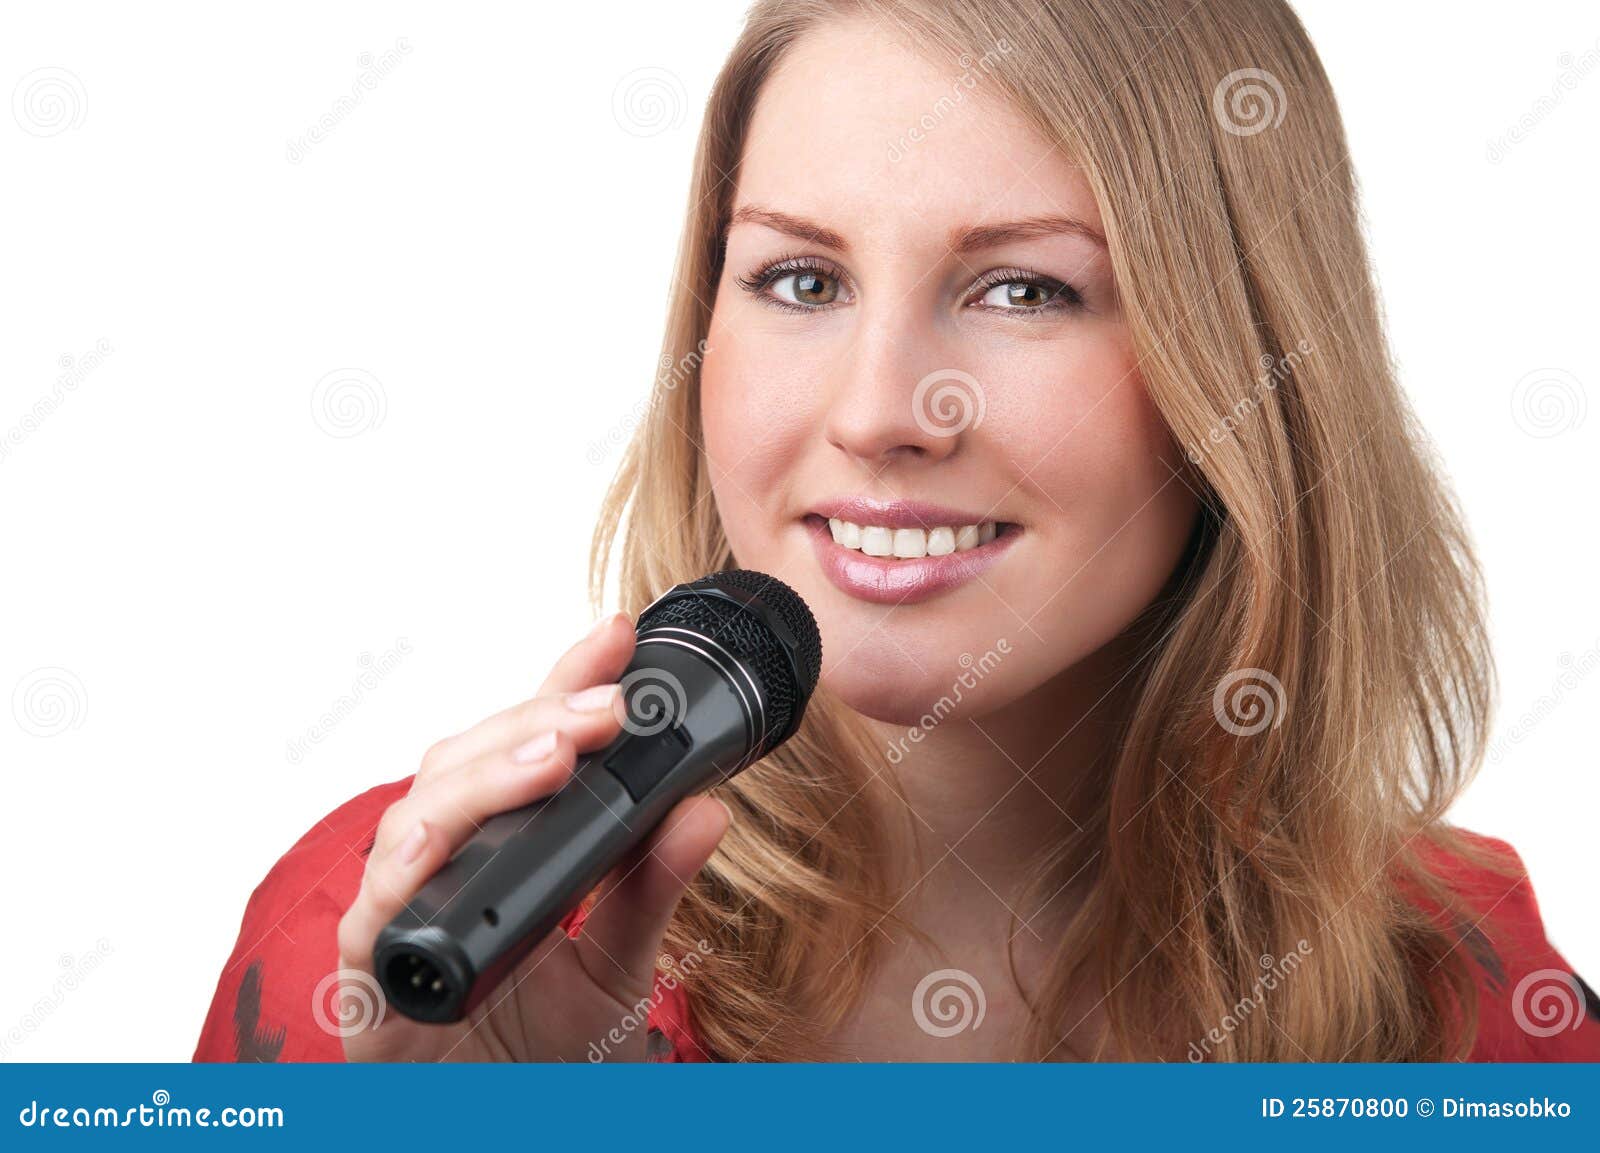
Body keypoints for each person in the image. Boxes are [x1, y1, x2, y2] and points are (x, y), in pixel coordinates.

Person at [196, 0, 1600, 1062]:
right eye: (802, 278)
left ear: (1241, 364)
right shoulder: (381, 939)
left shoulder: (1462, 981)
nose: (879, 412)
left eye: (1024, 292)